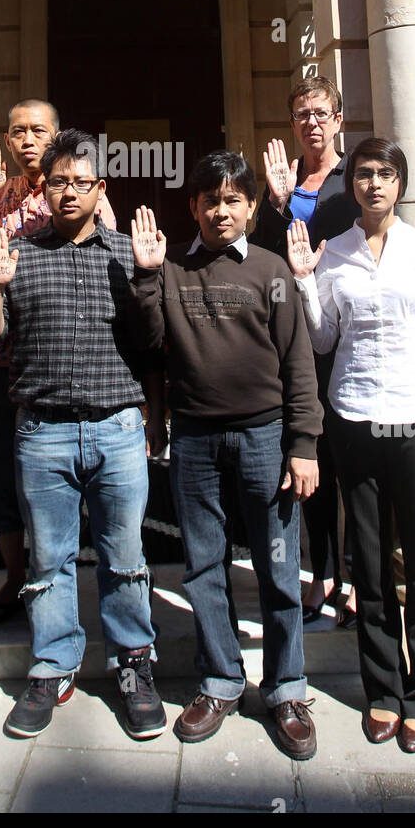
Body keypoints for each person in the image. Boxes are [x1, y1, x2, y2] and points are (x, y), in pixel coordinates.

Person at [0, 129, 166, 742]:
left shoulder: (125, 253)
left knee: (125, 556)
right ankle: (53, 665)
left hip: (116, 428)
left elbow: (155, 343)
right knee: (49, 559)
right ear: (43, 187)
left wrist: (148, 276)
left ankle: (134, 665)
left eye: (83, 182)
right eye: (59, 182)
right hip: (43, 432)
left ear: (100, 188)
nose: (70, 192)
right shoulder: (19, 252)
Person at [128, 151, 324, 761]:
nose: (220, 210)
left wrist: (304, 444)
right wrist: (144, 276)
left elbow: (298, 363)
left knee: (277, 564)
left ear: (248, 207)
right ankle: (220, 680)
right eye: (209, 200)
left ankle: (287, 686)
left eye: (233, 199)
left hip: (265, 437)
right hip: (193, 439)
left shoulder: (271, 269)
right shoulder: (171, 269)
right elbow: (149, 343)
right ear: (194, 207)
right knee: (203, 566)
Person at [287, 137, 415, 753]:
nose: (372, 185)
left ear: (401, 183)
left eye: (385, 174)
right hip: (355, 416)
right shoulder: (333, 252)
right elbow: (321, 337)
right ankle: (383, 691)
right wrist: (307, 283)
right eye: (363, 174)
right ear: (351, 185)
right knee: (366, 564)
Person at [0, 100, 117, 630]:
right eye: (18, 132)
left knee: (68, 485)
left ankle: (72, 589)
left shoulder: (77, 190)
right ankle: (15, 577)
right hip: (4, 362)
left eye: (38, 131)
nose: (27, 140)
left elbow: (109, 261)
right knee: (2, 480)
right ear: (7, 141)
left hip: (64, 360)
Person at [252, 75, 359, 626]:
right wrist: (274, 201)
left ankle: (359, 575)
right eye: (301, 115)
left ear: (338, 120)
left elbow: (350, 235)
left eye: (320, 113)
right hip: (293, 334)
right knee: (309, 455)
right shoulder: (287, 177)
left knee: (352, 457)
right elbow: (269, 252)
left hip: (346, 337)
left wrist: (292, 205)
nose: (311, 122)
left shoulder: (352, 178)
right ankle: (321, 571)